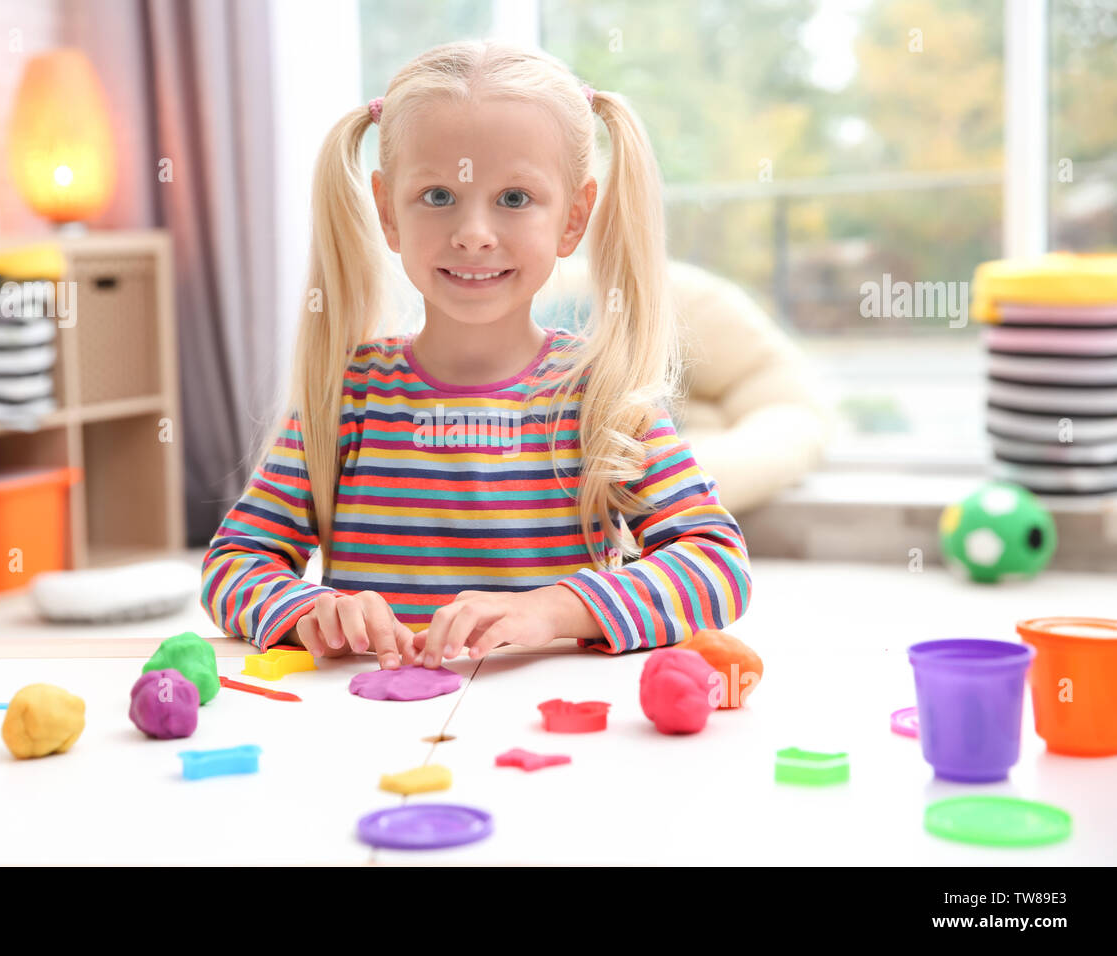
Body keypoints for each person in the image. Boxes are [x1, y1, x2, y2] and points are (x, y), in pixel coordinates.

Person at [201, 40, 753, 670]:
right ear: (388, 211)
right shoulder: (347, 396)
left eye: (514, 199)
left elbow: (718, 564)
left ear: (573, 219)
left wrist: (552, 609)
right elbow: (234, 562)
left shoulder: (601, 397)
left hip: (551, 738)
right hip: (373, 738)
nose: (473, 234)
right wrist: (305, 611)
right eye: (438, 196)